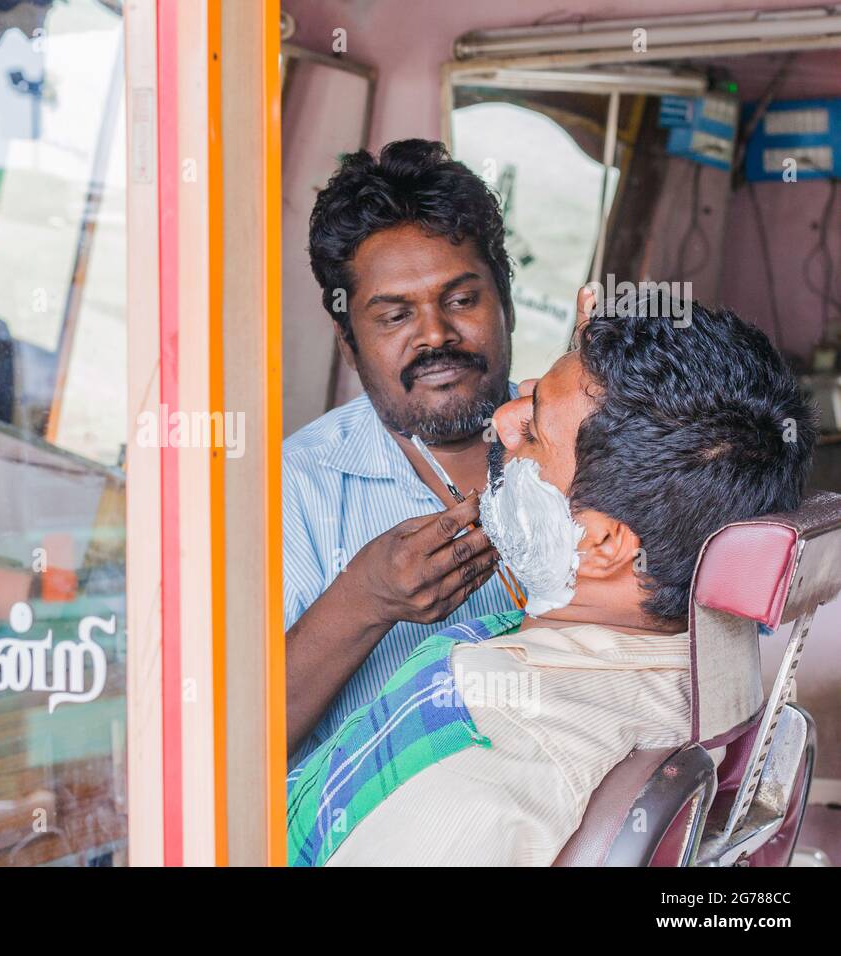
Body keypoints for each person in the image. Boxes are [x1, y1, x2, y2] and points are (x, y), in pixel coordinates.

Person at [286, 297, 816, 866]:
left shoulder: (470, 780)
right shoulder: (709, 660)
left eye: (532, 430)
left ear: (602, 543)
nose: (501, 420)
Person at [285, 138, 532, 762]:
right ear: (349, 342)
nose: (435, 336)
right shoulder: (299, 486)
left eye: (460, 300)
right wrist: (363, 600)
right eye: (394, 317)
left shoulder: (588, 447)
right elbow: (237, 745)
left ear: (504, 302)